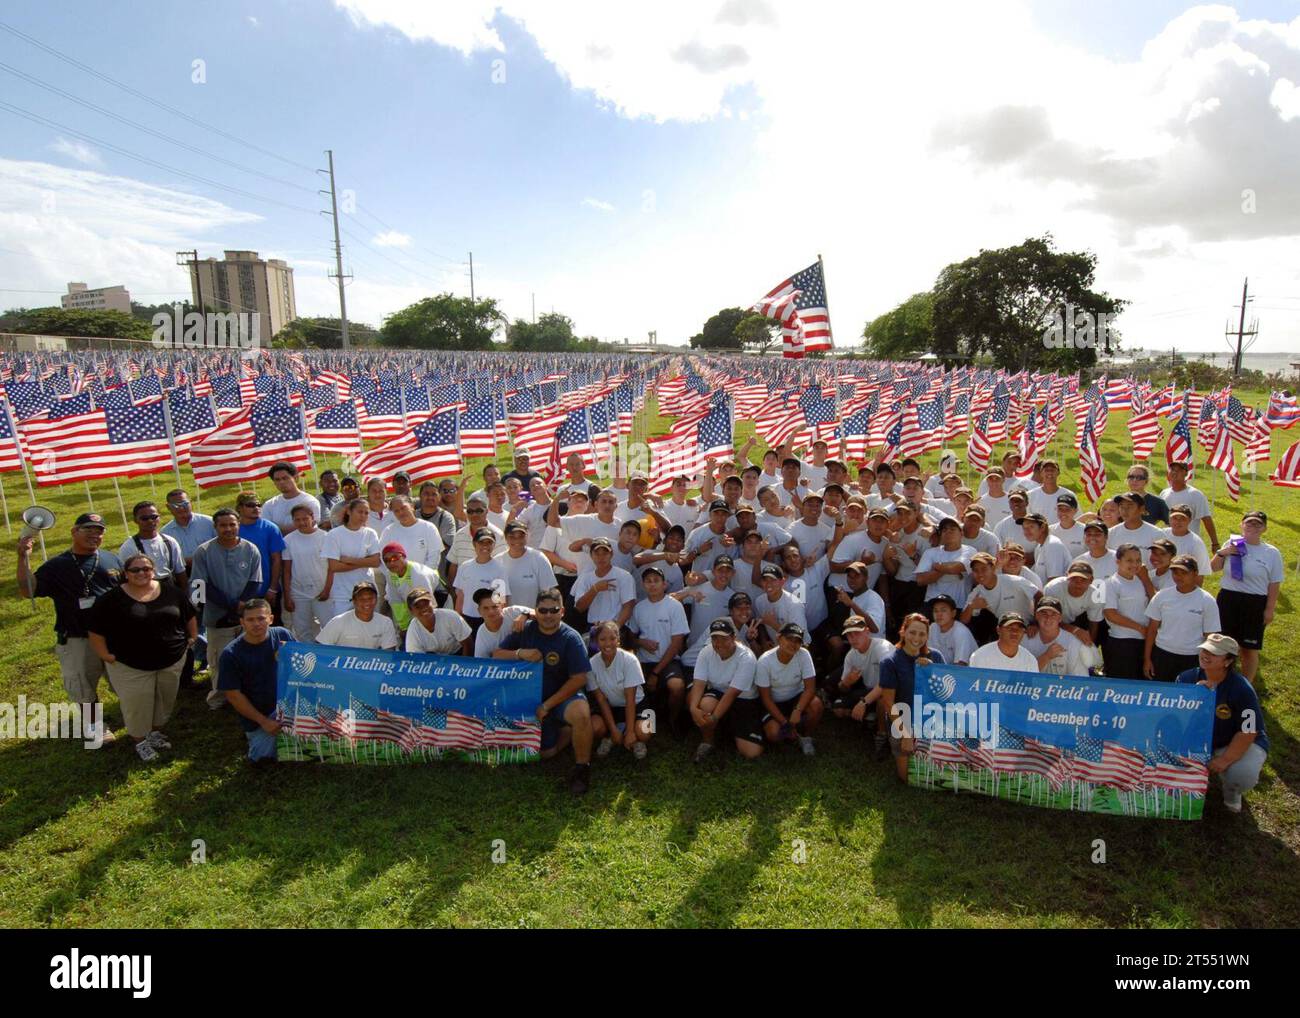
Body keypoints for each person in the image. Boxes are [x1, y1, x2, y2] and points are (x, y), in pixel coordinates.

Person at [17, 512, 123, 746]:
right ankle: (96, 727)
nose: (94, 535)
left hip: (113, 636)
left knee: (124, 680)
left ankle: (130, 713)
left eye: (99, 531)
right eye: (88, 529)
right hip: (77, 637)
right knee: (83, 686)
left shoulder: (111, 559)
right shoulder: (57, 565)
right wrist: (22, 557)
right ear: (74, 532)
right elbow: (28, 591)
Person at [87, 552, 196, 761]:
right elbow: (95, 631)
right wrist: (104, 655)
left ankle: (154, 733)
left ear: (153, 571)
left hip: (171, 660)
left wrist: (191, 638)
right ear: (126, 574)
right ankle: (140, 741)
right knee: (137, 704)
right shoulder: (110, 600)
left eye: (146, 569)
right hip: (130, 664)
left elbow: (188, 615)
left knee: (164, 700)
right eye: (135, 570)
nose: (141, 573)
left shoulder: (171, 592)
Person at [494, 587, 594, 795]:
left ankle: (582, 768)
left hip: (560, 699)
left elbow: (579, 678)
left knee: (582, 714)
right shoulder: (525, 630)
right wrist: (520, 653)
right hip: (527, 699)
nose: (548, 615)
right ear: (536, 611)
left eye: (553, 610)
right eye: (543, 610)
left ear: (562, 612)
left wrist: (548, 705)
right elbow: (497, 655)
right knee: (547, 753)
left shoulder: (571, 638)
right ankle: (562, 733)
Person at [1175, 633, 1269, 813]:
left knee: (1241, 774)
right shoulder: (1185, 679)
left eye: (1213, 652)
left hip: (1234, 740)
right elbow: (1176, 718)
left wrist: (1226, 759)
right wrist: (1192, 699)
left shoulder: (1242, 689)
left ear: (1227, 661)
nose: (1205, 654)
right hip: (1200, 738)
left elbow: (1248, 731)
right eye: (1204, 649)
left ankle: (1233, 792)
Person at [191, 508, 262, 710]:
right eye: (223, 525)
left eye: (232, 524)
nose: (228, 529)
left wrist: (241, 606)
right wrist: (233, 606)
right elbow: (201, 585)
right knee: (219, 661)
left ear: (238, 525)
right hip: (217, 617)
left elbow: (255, 581)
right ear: (215, 527)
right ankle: (220, 699)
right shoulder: (203, 551)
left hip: (245, 617)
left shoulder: (250, 549)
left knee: (248, 659)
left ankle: (247, 695)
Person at [216, 599, 293, 764]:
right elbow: (234, 696)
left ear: (271, 619)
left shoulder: (282, 635)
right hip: (262, 716)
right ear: (242, 622)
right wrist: (264, 722)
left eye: (261, 618)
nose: (256, 624)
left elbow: (301, 665)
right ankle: (255, 735)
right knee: (263, 760)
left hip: (289, 706)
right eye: (250, 620)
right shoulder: (230, 654)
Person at [1211, 510, 1283, 681]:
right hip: (1228, 599)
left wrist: (1269, 609)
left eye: (1258, 523)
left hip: (1254, 603)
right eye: (1249, 522)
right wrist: (1223, 552)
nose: (1253, 526)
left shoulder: (1271, 553)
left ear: (1264, 528)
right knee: (1222, 644)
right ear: (1241, 525)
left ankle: (1246, 685)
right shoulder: (1233, 542)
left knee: (1248, 649)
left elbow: (1274, 583)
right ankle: (1220, 679)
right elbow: (1213, 568)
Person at [878, 613, 946, 781]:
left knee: (936, 778)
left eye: (922, 634)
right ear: (903, 632)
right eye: (912, 632)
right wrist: (906, 735)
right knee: (907, 778)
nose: (917, 638)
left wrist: (933, 670)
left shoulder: (936, 657)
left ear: (928, 636)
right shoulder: (890, 662)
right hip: (902, 720)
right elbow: (888, 704)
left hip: (931, 719)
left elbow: (948, 692)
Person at [688, 618, 764, 763]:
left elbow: (732, 693)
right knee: (704, 705)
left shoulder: (746, 657)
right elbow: (699, 682)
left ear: (734, 637)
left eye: (724, 638)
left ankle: (724, 726)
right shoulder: (706, 651)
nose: (719, 643)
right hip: (719, 692)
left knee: (752, 753)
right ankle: (707, 741)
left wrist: (714, 717)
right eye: (715, 638)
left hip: (744, 699)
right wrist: (693, 708)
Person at [627, 566, 690, 726]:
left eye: (656, 581)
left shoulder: (674, 606)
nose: (652, 584)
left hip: (668, 660)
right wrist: (641, 642)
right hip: (644, 661)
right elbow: (631, 639)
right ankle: (643, 722)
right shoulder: (639, 608)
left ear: (664, 585)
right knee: (632, 689)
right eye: (648, 581)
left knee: (677, 687)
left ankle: (673, 722)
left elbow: (677, 643)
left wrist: (656, 673)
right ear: (643, 585)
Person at [1144, 555, 1221, 681]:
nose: (1178, 577)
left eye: (1184, 573)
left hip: (1192, 658)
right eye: (1175, 572)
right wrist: (1147, 659)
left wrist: (1208, 666)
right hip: (1162, 655)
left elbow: (1210, 636)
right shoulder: (1162, 596)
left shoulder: (1207, 601)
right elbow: (1152, 629)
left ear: (1195, 573)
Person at [587, 620, 652, 760]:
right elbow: (600, 699)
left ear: (618, 640)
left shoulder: (630, 660)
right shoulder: (592, 664)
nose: (608, 643)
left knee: (645, 732)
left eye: (612, 638)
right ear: (596, 642)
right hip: (611, 706)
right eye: (602, 639)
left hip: (637, 704)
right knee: (594, 728)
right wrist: (612, 729)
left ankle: (631, 735)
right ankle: (615, 733)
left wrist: (630, 732)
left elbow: (630, 699)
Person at [755, 623, 822, 756]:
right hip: (773, 702)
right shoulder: (764, 661)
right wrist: (785, 723)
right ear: (779, 638)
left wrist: (798, 710)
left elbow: (810, 688)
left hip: (795, 697)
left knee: (816, 705)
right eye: (789, 639)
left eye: (797, 641)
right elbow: (766, 699)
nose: (793, 644)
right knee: (774, 733)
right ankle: (790, 733)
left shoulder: (804, 655)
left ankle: (805, 736)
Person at [320, 498, 381, 621]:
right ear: (349, 511)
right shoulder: (334, 534)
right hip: (342, 594)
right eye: (360, 512)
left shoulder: (370, 533)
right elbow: (334, 567)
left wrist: (349, 560)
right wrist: (364, 561)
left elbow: (375, 561)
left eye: (366, 513)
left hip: (368, 592)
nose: (363, 516)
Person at [960, 552, 1036, 645]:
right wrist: (971, 607)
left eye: (984, 569)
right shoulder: (977, 592)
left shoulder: (1013, 581)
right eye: (976, 570)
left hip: (1029, 630)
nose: (980, 574)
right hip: (1007, 633)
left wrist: (1036, 624)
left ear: (992, 568)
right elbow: (963, 620)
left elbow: (1038, 594)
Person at [1101, 543, 1153, 679]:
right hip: (1122, 642)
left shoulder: (1140, 581)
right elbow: (1110, 614)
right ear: (1118, 561)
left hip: (1143, 641)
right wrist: (1139, 628)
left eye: (1138, 560)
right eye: (1129, 560)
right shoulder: (1110, 584)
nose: (1134, 564)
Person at [281, 503, 330, 643]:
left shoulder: (326, 537)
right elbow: (286, 570)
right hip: (299, 594)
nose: (302, 522)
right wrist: (287, 596)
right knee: (303, 631)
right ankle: (308, 660)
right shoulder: (288, 540)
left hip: (323, 592)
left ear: (312, 518)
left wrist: (327, 590)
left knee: (328, 628)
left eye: (305, 518)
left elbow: (332, 568)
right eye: (297, 519)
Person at [572, 537, 635, 635]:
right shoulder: (585, 578)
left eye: (605, 553)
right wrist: (595, 589)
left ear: (611, 554)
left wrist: (616, 628)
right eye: (597, 553)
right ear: (591, 556)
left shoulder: (624, 576)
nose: (601, 557)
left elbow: (628, 606)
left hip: (617, 627)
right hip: (594, 628)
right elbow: (579, 607)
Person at [234, 493, 284, 612]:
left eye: (258, 505)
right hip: (239, 592)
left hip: (266, 590)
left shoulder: (271, 528)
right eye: (251, 505)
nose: (256, 508)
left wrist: (273, 588)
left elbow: (277, 560)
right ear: (240, 508)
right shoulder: (233, 529)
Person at [377, 542, 439, 635]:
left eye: (395, 558)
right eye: (386, 560)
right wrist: (404, 627)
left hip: (437, 596)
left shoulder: (419, 575)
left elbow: (430, 606)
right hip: (412, 603)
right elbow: (396, 602)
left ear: (403, 556)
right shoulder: (390, 574)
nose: (391, 562)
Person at [119, 501, 186, 587]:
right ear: (136, 520)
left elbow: (180, 572)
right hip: (143, 589)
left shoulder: (170, 542)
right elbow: (125, 578)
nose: (150, 521)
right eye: (144, 518)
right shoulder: (129, 547)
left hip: (169, 588)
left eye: (154, 517)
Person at [915, 517, 974, 614]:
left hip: (957, 606)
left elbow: (955, 568)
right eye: (944, 530)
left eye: (952, 529)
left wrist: (935, 567)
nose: (948, 532)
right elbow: (920, 580)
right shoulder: (930, 552)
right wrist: (947, 570)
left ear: (961, 534)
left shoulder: (970, 550)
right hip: (932, 605)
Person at [317, 581, 400, 649]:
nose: (367, 602)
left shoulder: (385, 622)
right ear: (354, 601)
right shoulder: (338, 621)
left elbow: (389, 652)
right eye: (361, 599)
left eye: (370, 598)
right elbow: (319, 646)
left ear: (376, 599)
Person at [378, 495, 446, 577]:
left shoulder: (429, 528)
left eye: (403, 508)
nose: (401, 513)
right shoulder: (388, 531)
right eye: (396, 511)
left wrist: (422, 576)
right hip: (397, 581)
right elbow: (382, 557)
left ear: (412, 506)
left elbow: (434, 557)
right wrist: (395, 576)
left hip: (424, 580)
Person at [1022, 598, 1092, 676]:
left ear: (1060, 618)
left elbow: (1080, 678)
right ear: (1037, 616)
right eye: (1044, 614)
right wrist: (1046, 657)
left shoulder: (1073, 642)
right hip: (1032, 687)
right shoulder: (1025, 638)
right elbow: (1020, 675)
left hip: (1062, 687)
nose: (1048, 618)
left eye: (1053, 614)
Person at [499, 521, 557, 608]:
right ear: (506, 538)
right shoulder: (498, 561)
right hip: (506, 618)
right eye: (512, 537)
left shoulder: (539, 558)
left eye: (521, 536)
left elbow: (549, 593)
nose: (517, 540)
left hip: (533, 618)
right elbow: (497, 598)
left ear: (527, 536)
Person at [1161, 461, 1218, 548]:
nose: (1174, 472)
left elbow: (1206, 519)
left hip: (1189, 543)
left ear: (1185, 473)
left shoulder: (1196, 495)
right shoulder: (1164, 493)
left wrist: (1215, 543)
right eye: (1172, 469)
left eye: (1179, 470)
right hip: (1168, 543)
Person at [404, 588, 472, 655]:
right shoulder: (413, 629)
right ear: (411, 611)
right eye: (418, 607)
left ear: (432, 603)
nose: (424, 608)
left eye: (426, 603)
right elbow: (415, 657)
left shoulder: (450, 616)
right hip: (434, 658)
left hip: (458, 654)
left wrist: (463, 664)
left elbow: (468, 643)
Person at [969, 612, 1040, 672]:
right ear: (998, 630)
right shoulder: (980, 656)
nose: (1015, 632)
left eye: (1019, 628)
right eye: (1009, 628)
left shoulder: (1030, 660)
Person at [262, 461, 319, 534]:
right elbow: (266, 529)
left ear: (295, 478)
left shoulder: (309, 502)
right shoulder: (269, 505)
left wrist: (276, 530)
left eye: (285, 478)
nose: (281, 482)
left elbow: (310, 526)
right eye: (277, 480)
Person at [472, 588, 533, 657]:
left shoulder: (513, 611)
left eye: (495, 607)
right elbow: (481, 662)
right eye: (486, 608)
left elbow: (541, 614)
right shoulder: (481, 633)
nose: (491, 611)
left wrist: (525, 615)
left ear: (502, 606)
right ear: (479, 611)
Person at [928, 594, 977, 666]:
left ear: (953, 613)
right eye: (936, 611)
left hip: (967, 674)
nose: (939, 614)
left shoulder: (960, 632)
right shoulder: (932, 627)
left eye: (943, 610)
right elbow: (927, 655)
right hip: (942, 672)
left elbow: (960, 665)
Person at [1166, 504, 1212, 577]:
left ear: (1190, 520)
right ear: (1169, 518)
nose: (1178, 522)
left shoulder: (1196, 543)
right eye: (1174, 518)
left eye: (1182, 519)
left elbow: (1200, 573)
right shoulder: (1161, 534)